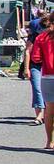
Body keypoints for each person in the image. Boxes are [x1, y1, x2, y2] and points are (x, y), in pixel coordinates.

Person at [29, 13, 54, 150]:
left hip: (48, 76)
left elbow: (36, 58)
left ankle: (50, 141)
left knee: (49, 110)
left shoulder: (41, 37)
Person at [21, 8, 47, 125]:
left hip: (48, 66)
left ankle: (46, 114)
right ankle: (39, 115)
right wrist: (26, 68)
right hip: (35, 65)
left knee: (47, 90)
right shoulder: (35, 35)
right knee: (37, 89)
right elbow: (27, 51)